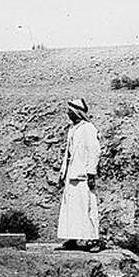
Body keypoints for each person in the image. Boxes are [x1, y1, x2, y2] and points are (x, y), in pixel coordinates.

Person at [56, 97, 102, 250]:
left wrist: (91, 173)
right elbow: (67, 155)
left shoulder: (88, 128)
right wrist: (63, 173)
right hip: (71, 174)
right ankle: (73, 238)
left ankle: (93, 240)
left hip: (83, 175)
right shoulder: (72, 130)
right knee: (71, 208)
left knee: (87, 207)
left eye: (70, 111)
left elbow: (94, 151)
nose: (68, 113)